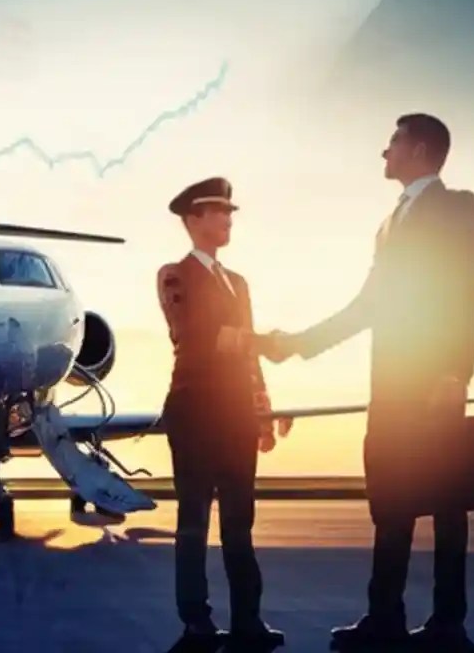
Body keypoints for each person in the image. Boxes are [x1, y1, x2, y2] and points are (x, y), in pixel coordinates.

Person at [262, 113, 474, 651]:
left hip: (434, 382)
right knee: (388, 501)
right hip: (389, 385)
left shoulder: (457, 207)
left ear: (420, 148)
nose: (384, 152)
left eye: (393, 142)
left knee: (448, 504)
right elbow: (367, 306)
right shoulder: (389, 225)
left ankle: (447, 625)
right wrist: (298, 344)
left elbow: (470, 291)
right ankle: (383, 617)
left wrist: (457, 371)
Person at [157, 176, 290, 652]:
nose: (228, 219)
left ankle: (247, 623)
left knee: (240, 521)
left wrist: (263, 411)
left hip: (234, 415)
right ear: (193, 220)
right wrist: (268, 342)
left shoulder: (239, 283)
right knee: (193, 519)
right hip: (194, 412)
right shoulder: (173, 275)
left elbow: (248, 356)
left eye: (230, 212)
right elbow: (194, 336)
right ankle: (197, 623)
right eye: (218, 211)